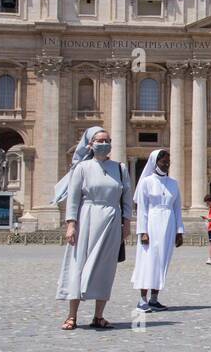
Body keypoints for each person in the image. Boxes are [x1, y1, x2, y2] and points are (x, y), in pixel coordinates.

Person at [54, 127, 133, 329]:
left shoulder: (120, 168)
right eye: (100, 140)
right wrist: (71, 223)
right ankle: (72, 315)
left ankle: (99, 315)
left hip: (111, 220)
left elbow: (126, 198)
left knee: (106, 268)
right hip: (87, 218)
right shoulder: (82, 168)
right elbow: (73, 198)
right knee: (78, 264)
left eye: (107, 140)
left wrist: (127, 222)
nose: (104, 143)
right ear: (90, 144)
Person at [131, 148, 183, 312]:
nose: (166, 164)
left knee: (162, 261)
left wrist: (179, 230)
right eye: (163, 162)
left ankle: (154, 298)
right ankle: (142, 299)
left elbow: (177, 208)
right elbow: (142, 209)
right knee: (148, 261)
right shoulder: (146, 182)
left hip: (168, 223)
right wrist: (142, 231)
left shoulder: (173, 183)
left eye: (168, 162)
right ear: (155, 162)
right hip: (151, 224)